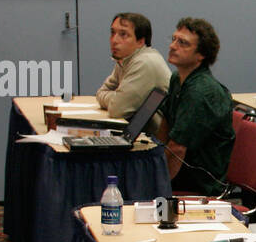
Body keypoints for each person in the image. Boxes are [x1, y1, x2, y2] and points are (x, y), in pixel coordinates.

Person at [158, 17, 234, 196]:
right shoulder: (177, 79)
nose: (173, 46)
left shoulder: (201, 91)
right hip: (182, 173)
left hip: (199, 185)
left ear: (201, 55)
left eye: (183, 43)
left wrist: (156, 185)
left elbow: (177, 148)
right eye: (174, 39)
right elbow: (166, 124)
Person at [94, 12, 170, 121]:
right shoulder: (125, 59)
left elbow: (117, 109)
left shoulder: (144, 62)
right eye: (112, 32)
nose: (114, 40)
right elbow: (101, 92)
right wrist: (116, 97)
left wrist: (117, 98)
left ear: (140, 41)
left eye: (123, 34)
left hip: (156, 136)